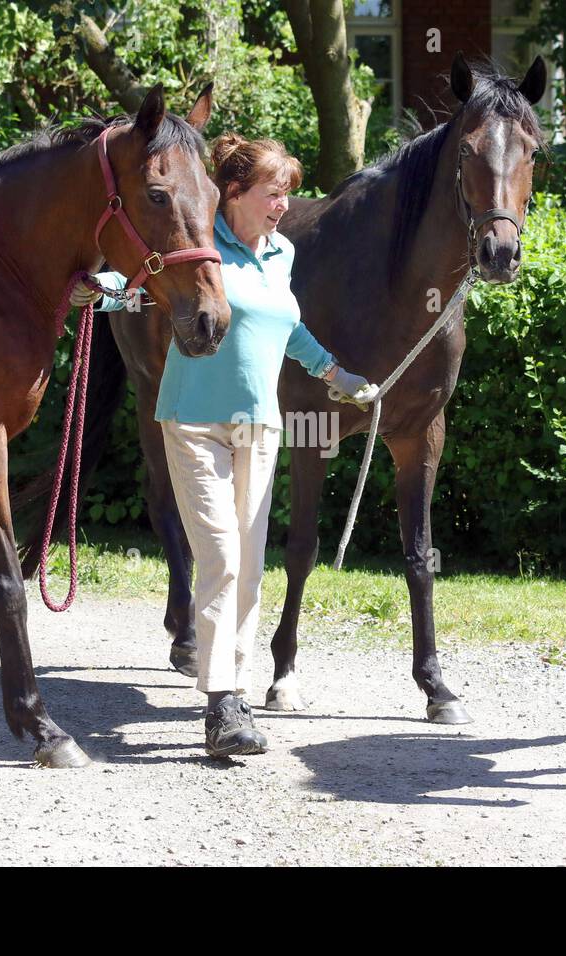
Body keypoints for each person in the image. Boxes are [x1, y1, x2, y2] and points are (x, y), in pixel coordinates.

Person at [74, 133, 378, 757]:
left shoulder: (283, 254)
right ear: (234, 194)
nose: (283, 206)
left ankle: (232, 691)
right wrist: (99, 287)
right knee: (221, 557)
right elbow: (143, 277)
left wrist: (338, 377)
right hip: (192, 421)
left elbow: (287, 326)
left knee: (247, 560)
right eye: (273, 194)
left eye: (287, 195)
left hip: (259, 426)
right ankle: (221, 705)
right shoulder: (202, 238)